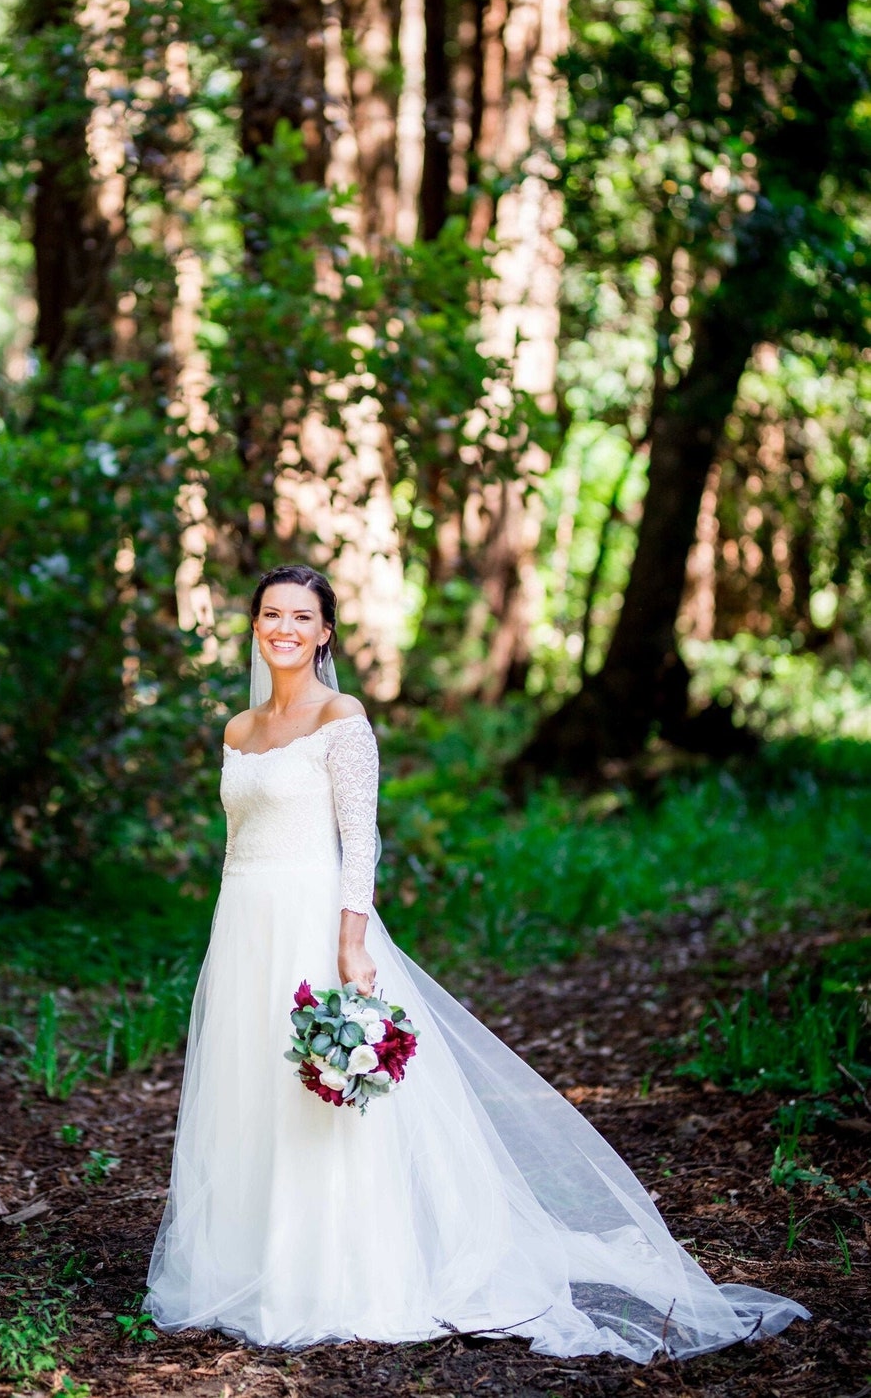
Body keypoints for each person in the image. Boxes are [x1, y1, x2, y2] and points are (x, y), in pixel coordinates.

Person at [145, 565, 807, 1359]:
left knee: (316, 1101)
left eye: (301, 616)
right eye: (271, 614)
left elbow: (360, 841)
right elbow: (237, 844)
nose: (284, 628)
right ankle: (244, 1260)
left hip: (311, 924)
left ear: (324, 634)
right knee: (250, 1085)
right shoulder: (238, 730)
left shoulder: (341, 718)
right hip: (245, 923)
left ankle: (321, 1272)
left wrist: (351, 942)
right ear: (255, 626)